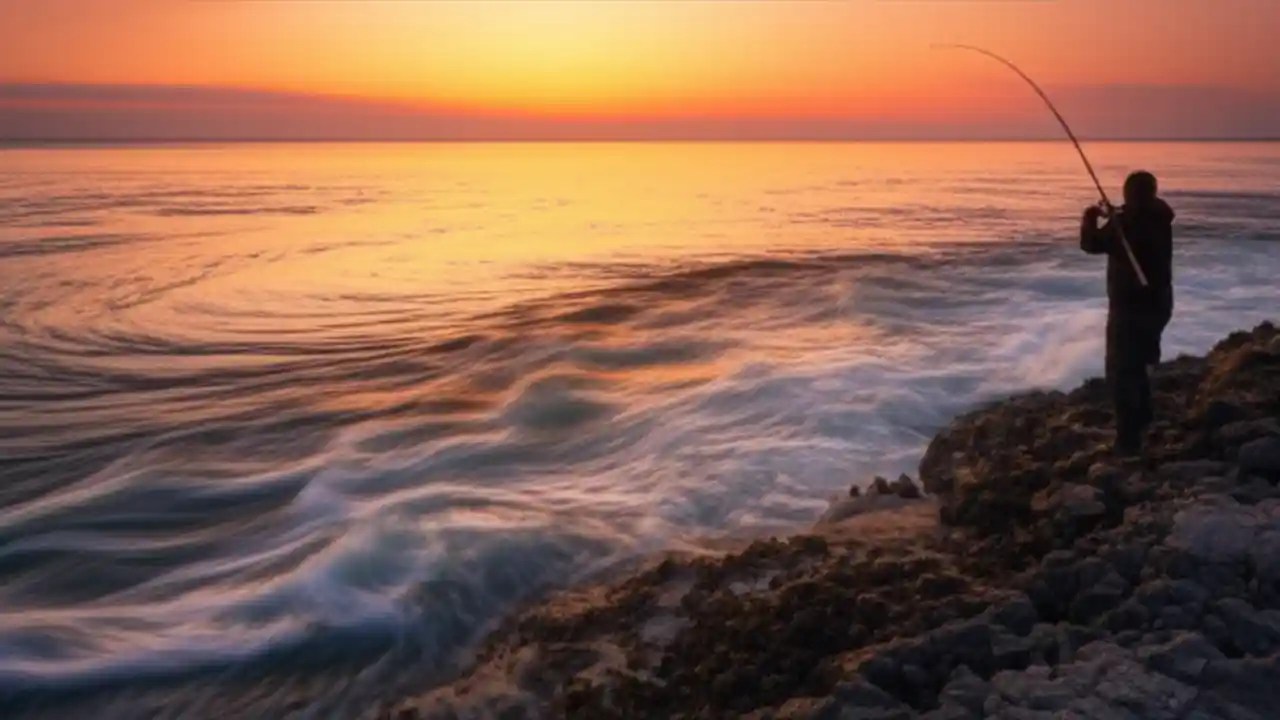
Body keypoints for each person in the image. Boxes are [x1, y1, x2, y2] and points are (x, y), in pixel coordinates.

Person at [1080, 170, 1175, 456]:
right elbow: (1133, 222)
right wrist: (1116, 215)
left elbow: (1091, 243)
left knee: (1121, 371)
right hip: (1159, 304)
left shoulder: (1126, 225)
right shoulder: (1159, 216)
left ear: (1129, 194)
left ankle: (1128, 440)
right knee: (1141, 363)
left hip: (1129, 310)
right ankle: (1144, 420)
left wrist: (1090, 217)